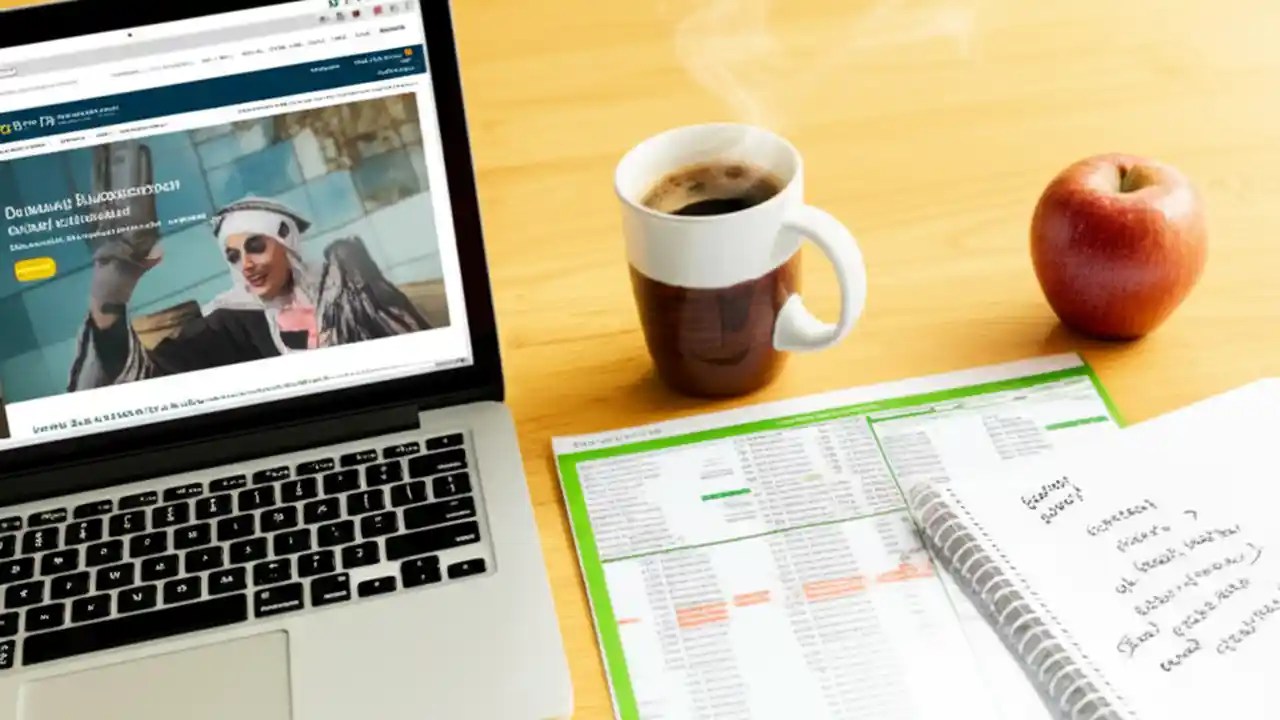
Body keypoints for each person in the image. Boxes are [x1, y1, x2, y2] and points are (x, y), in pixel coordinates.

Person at [68, 195, 433, 392]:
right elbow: (152, 381)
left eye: (256, 246)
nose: (246, 264)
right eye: (234, 256)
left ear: (285, 243)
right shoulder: (232, 321)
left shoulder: (345, 283)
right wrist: (109, 299)